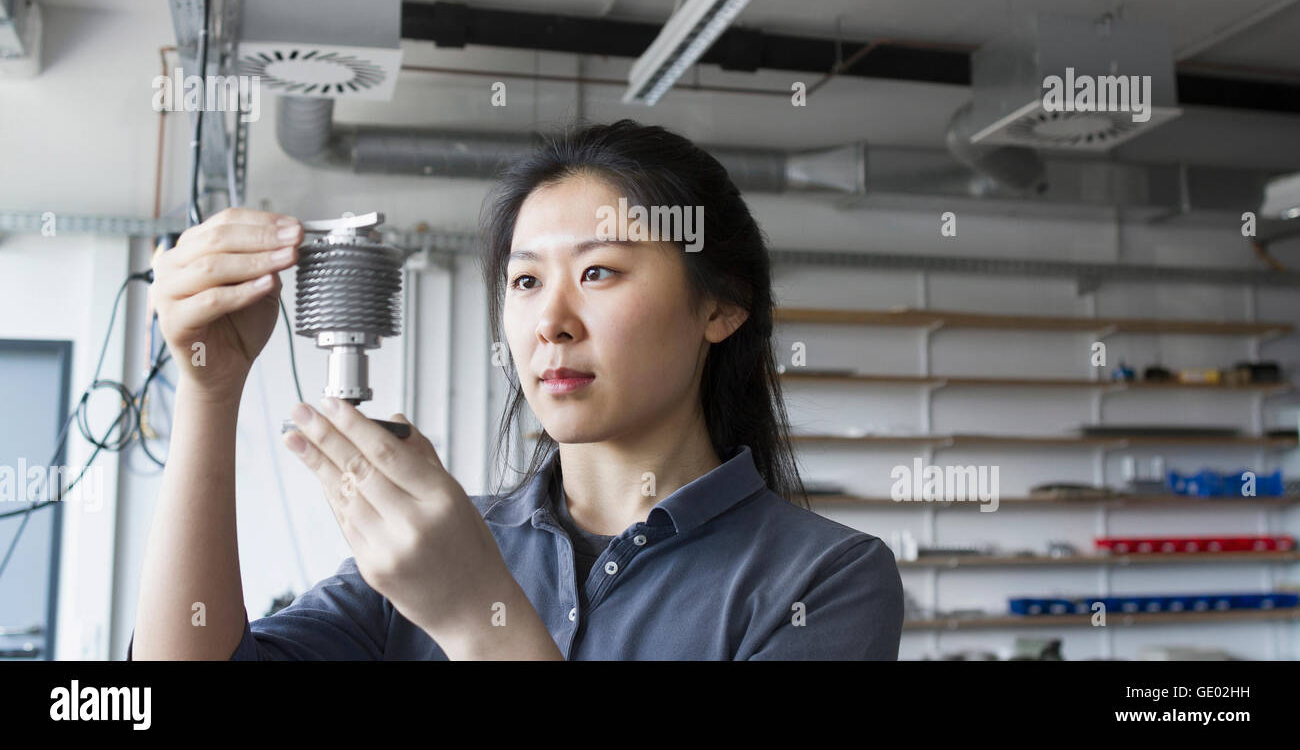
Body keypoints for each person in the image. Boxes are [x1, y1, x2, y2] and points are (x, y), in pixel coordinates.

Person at [128, 117, 903, 660]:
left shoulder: (825, 581)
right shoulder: (445, 546)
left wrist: (476, 619)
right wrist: (209, 390)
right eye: (525, 279)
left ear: (721, 305)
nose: (550, 322)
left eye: (598, 271)